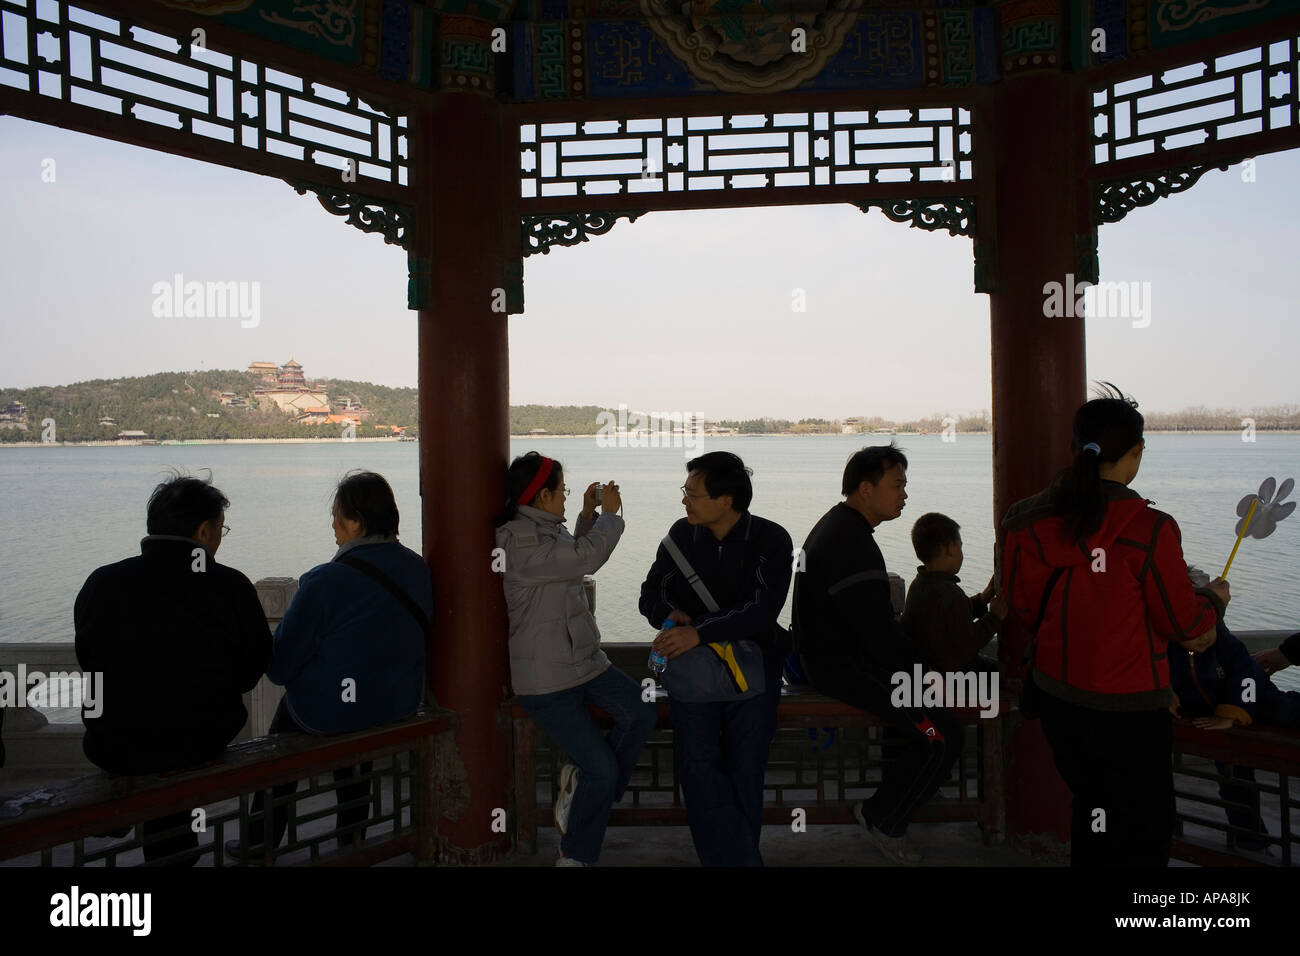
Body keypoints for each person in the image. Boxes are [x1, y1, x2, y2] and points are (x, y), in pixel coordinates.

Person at [1001, 384, 1230, 867]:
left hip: (1060, 702)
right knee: (1143, 834)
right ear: (1136, 452)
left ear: (1073, 448)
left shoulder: (1022, 521)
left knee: (1094, 812)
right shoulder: (1150, 529)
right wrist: (1213, 598)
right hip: (1129, 715)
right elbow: (1187, 626)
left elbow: (1020, 607)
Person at [227, 470, 430, 862]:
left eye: (337, 515)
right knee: (358, 727)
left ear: (356, 520)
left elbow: (280, 667)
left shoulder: (323, 581)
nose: (333, 525)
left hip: (332, 711)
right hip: (397, 703)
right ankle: (352, 839)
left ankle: (260, 841)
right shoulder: (418, 568)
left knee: (283, 742)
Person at [74, 472, 271, 865]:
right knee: (176, 742)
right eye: (221, 529)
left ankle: (148, 832)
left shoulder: (103, 582)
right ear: (202, 531)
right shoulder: (230, 585)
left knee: (152, 739)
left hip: (115, 741)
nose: (219, 538)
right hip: (201, 736)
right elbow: (254, 665)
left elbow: (90, 659)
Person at [792, 445, 962, 865]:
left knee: (922, 719)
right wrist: (924, 674)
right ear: (866, 489)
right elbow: (878, 636)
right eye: (897, 485)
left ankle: (907, 788)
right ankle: (882, 817)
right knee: (941, 735)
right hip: (841, 667)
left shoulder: (840, 527)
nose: (904, 494)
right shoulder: (850, 542)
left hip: (832, 659)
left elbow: (875, 630)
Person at [497, 452, 654, 867]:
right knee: (602, 769)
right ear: (543, 495)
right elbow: (585, 559)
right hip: (546, 681)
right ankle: (575, 855)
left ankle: (585, 787)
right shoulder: (517, 541)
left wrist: (586, 515)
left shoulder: (546, 529)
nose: (566, 497)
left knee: (641, 711)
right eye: (563, 491)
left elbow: (573, 553)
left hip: (585, 663)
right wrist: (611, 516)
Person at [640, 451, 793, 867]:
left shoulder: (772, 540)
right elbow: (649, 595)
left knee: (746, 772)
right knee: (698, 770)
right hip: (694, 673)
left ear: (726, 500)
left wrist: (699, 632)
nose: (685, 501)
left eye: (692, 494)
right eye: (685, 492)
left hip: (755, 669)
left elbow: (764, 611)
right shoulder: (679, 536)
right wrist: (667, 615)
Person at [902, 512, 1006, 673]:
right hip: (952, 673)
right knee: (1003, 672)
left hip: (925, 667)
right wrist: (995, 617)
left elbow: (949, 619)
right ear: (950, 548)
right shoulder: (951, 594)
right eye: (960, 546)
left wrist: (981, 600)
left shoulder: (919, 584)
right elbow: (969, 643)